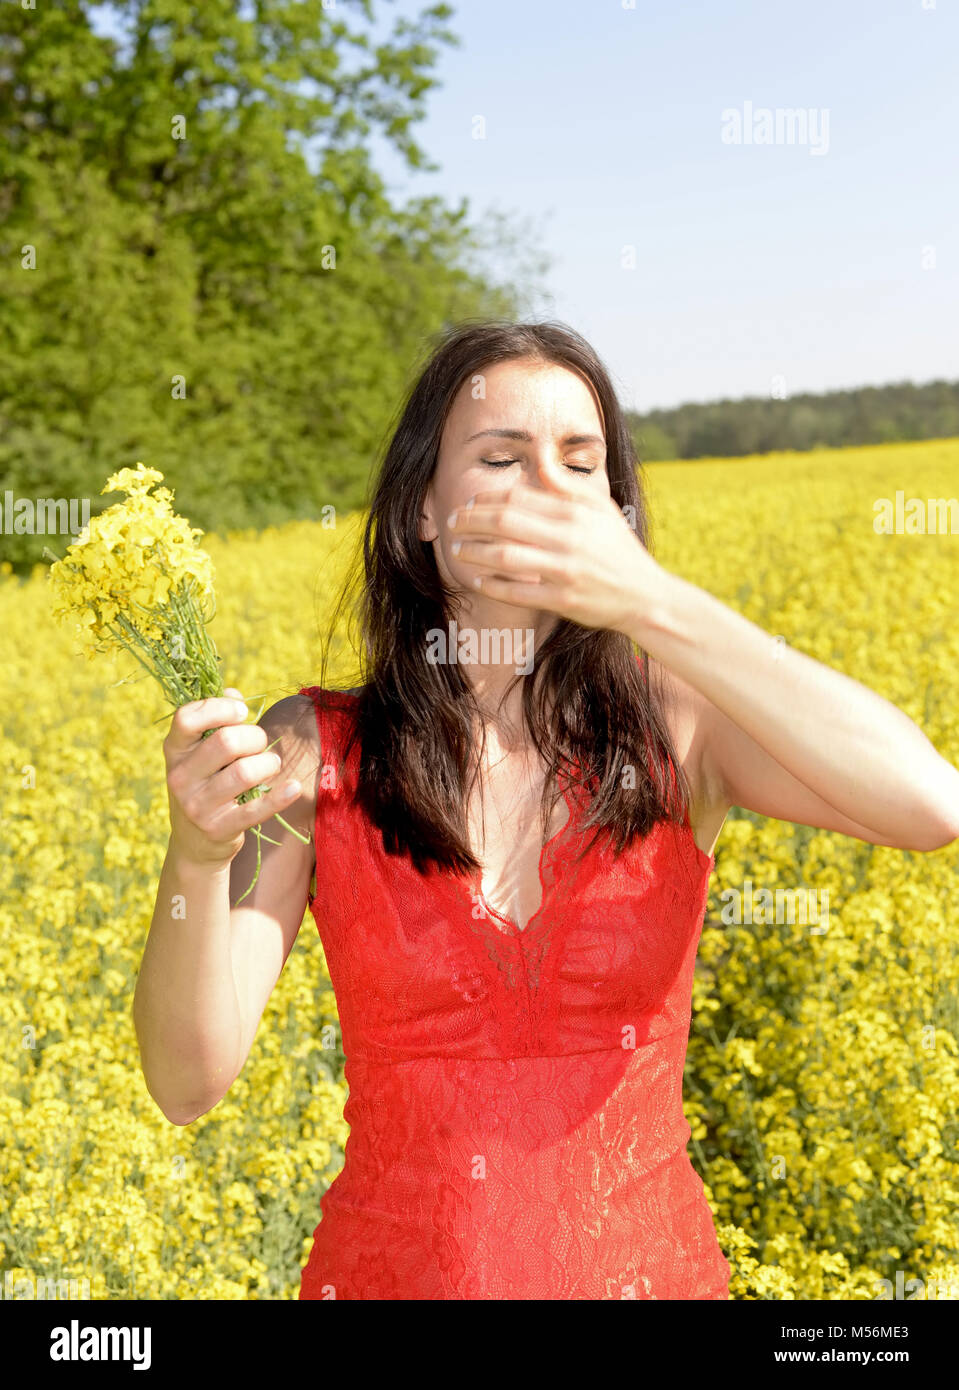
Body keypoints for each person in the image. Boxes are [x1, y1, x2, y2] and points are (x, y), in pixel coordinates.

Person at [133, 320, 959, 1300]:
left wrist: (651, 602)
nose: (546, 490)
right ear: (423, 510)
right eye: (499, 457)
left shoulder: (677, 724)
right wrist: (193, 857)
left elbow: (926, 803)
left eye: (578, 462)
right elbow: (187, 1083)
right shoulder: (320, 746)